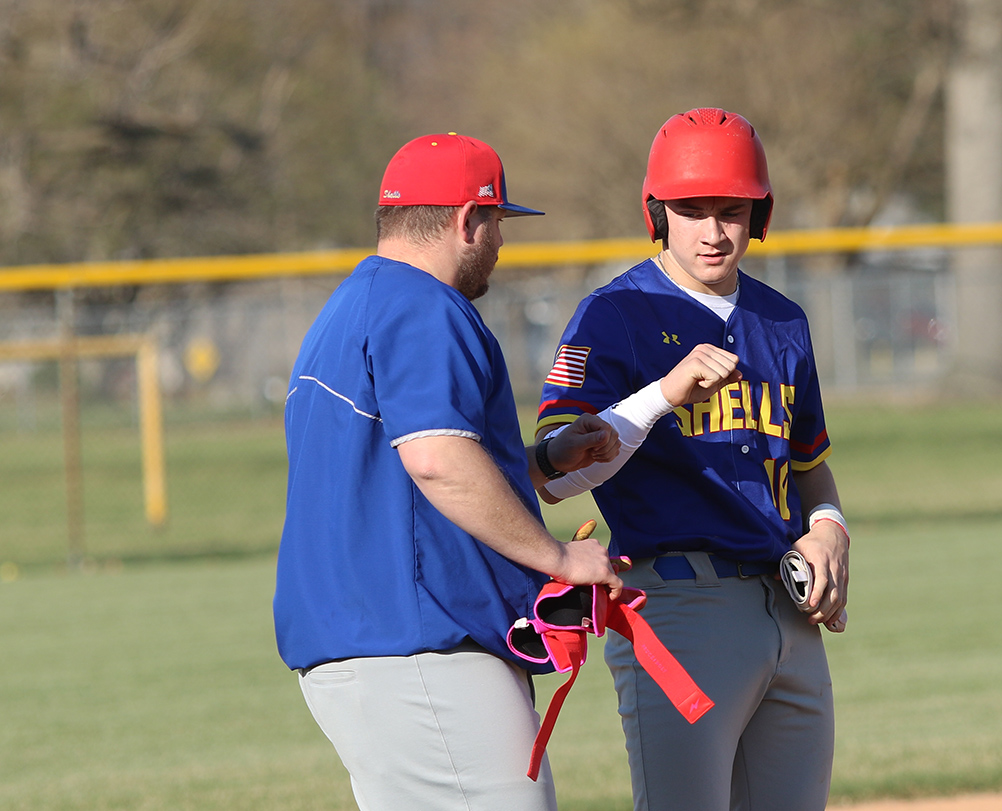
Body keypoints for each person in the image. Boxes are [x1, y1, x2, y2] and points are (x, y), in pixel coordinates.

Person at [273, 132, 625, 811]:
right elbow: (437, 462)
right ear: (469, 220)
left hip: (362, 646)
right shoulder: (423, 304)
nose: (500, 242)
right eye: (497, 223)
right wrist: (558, 554)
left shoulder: (346, 310)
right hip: (422, 649)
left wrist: (543, 459)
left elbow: (403, 475)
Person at [535, 108, 850, 811]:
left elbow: (809, 467)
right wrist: (662, 393)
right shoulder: (613, 313)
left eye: (731, 210)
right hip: (677, 605)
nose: (713, 230)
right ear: (657, 212)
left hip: (788, 612)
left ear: (758, 213)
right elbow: (556, 475)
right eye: (691, 209)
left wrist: (830, 526)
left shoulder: (781, 319)